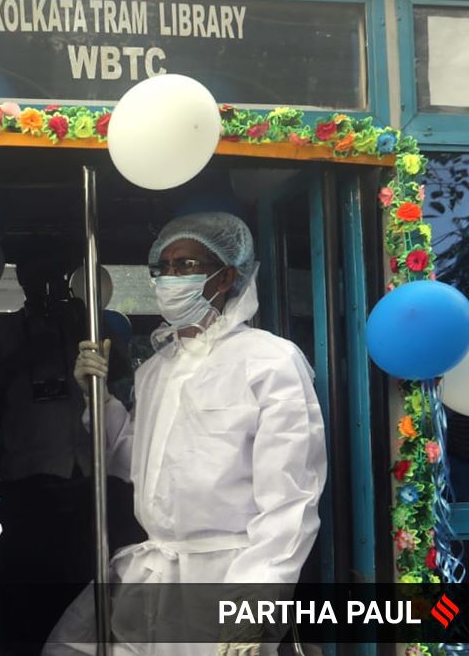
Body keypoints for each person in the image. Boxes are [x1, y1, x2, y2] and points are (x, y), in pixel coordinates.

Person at [42, 212, 327, 656]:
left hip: (229, 575)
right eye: (164, 268)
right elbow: (134, 461)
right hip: (153, 578)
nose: (170, 278)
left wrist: (255, 605)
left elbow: (291, 500)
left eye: (186, 266)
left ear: (226, 275)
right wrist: (97, 401)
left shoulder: (269, 361)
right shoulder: (157, 370)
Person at [0, 252, 140, 656]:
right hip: (30, 475)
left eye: (52, 279)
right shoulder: (4, 329)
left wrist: (81, 322)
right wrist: (28, 351)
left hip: (86, 476)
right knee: (30, 583)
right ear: (23, 282)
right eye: (36, 278)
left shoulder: (85, 324)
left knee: (85, 580)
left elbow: (120, 377)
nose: (45, 288)